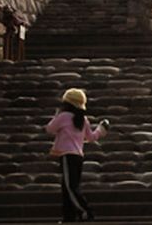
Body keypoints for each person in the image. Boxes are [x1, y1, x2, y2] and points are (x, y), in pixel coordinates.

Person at [46, 88, 109, 222]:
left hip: (67, 155)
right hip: (78, 156)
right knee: (68, 187)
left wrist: (57, 115)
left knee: (69, 187)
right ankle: (69, 217)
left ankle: (85, 211)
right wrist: (101, 129)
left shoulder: (63, 116)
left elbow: (50, 129)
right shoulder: (83, 119)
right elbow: (91, 137)